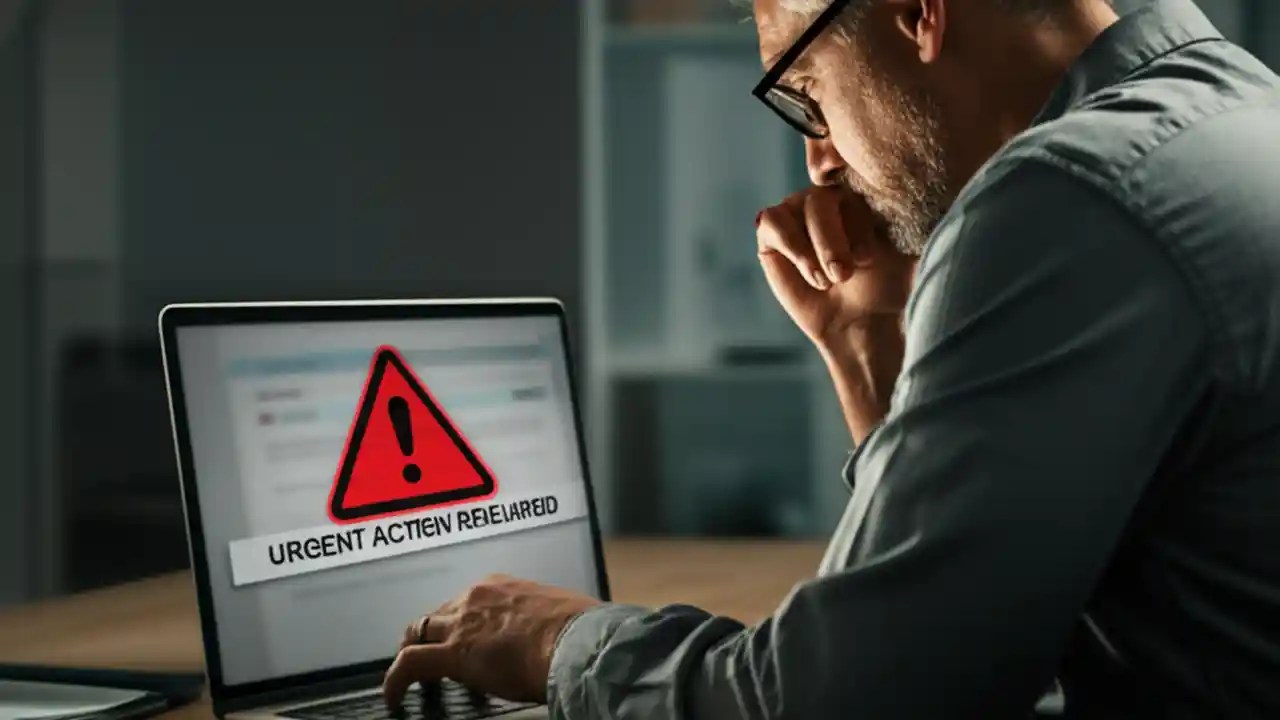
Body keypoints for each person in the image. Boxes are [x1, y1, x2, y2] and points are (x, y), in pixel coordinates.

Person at [382, 0, 1280, 716]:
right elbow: (995, 636)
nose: (816, 160)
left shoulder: (1066, 194)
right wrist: (868, 357)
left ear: (916, 13)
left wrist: (560, 646)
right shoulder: (1240, 110)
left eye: (807, 88)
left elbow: (854, 698)